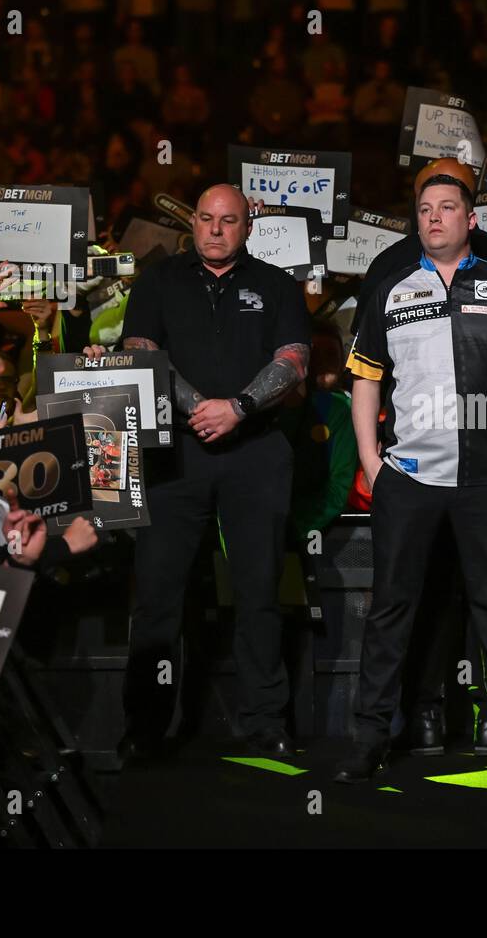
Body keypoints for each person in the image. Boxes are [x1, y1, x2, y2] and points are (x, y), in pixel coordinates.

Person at [336, 166, 487, 783]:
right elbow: (364, 378)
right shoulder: (390, 278)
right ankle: (371, 736)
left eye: (446, 208)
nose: (434, 217)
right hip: (406, 476)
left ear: (471, 219)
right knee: (390, 608)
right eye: (425, 208)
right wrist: (370, 461)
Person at [101, 183, 312, 761]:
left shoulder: (275, 284)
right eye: (206, 219)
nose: (216, 230)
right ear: (192, 222)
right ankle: (144, 728)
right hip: (175, 453)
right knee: (159, 596)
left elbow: (294, 361)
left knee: (259, 592)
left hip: (257, 453)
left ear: (248, 226)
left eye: (229, 221)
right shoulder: (159, 280)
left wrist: (239, 407)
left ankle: (266, 723)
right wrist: (199, 407)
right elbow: (142, 352)